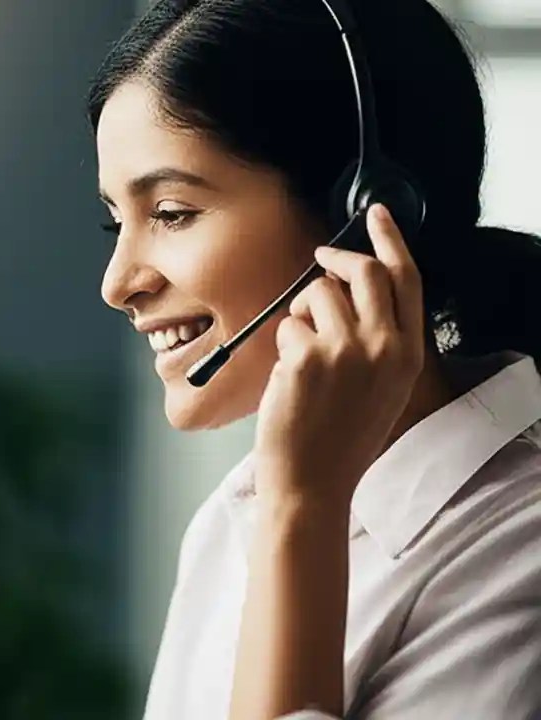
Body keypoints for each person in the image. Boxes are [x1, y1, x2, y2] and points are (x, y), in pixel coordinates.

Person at [86, 0, 541, 718]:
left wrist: (305, 512)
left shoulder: (522, 552)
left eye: (171, 214)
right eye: (117, 222)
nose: (118, 284)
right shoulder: (233, 519)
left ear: (363, 218)